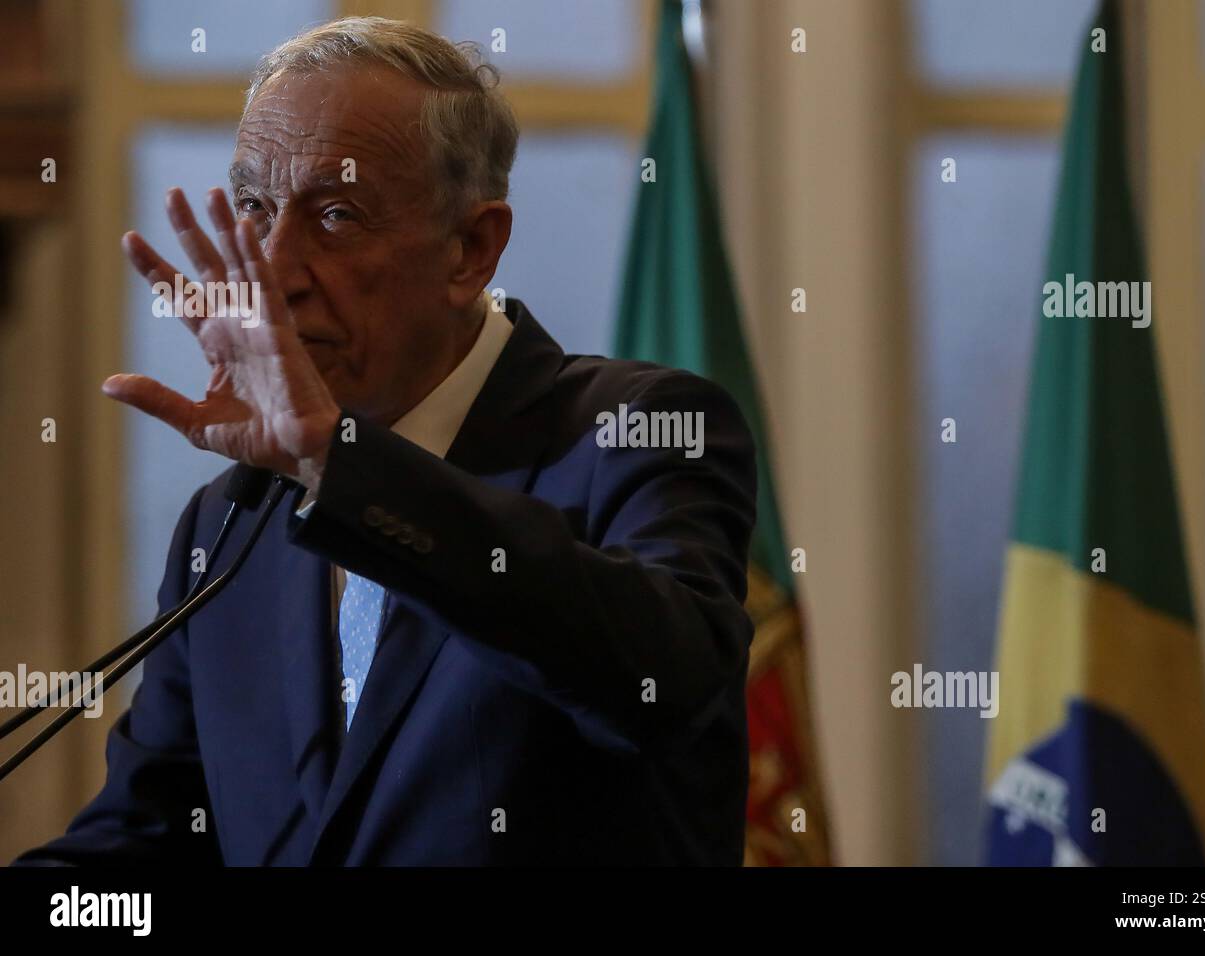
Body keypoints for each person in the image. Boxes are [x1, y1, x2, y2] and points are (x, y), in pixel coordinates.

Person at [14, 17, 755, 866]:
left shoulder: (637, 436)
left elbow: (667, 689)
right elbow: (140, 847)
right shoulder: (227, 527)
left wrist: (342, 468)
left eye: (336, 214)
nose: (275, 270)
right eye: (254, 208)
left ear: (470, 250)